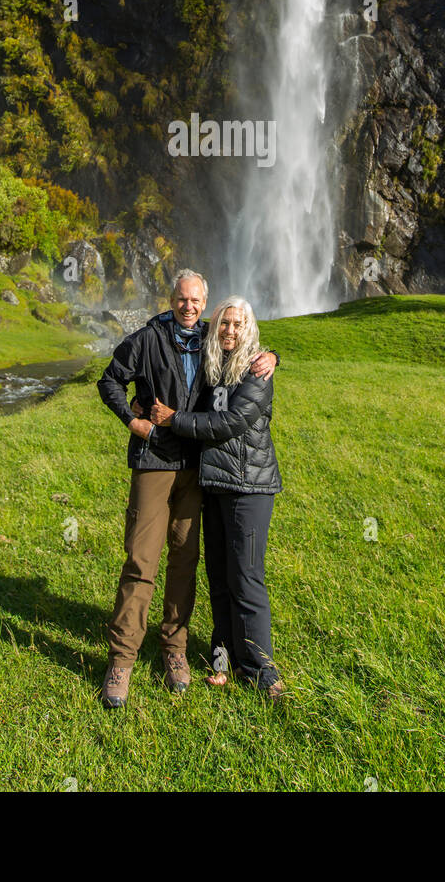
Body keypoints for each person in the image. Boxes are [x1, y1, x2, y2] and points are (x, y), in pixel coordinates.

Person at [96, 270, 278, 708]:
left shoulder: (215, 340)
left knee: (184, 561)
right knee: (141, 561)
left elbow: (247, 349)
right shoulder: (148, 337)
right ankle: (122, 661)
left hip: (197, 467)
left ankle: (175, 650)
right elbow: (109, 380)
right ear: (172, 298)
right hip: (155, 461)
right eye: (182, 299)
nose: (188, 306)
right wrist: (132, 418)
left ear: (206, 304)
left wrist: (273, 354)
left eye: (196, 300)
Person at [147, 296, 284, 700]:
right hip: (216, 486)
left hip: (249, 487)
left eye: (238, 324)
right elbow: (183, 317)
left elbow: (229, 422)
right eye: (224, 323)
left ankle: (263, 670)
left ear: (250, 329)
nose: (229, 330)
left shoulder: (257, 370)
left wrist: (174, 420)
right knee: (220, 578)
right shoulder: (214, 365)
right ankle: (225, 659)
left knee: (246, 578)